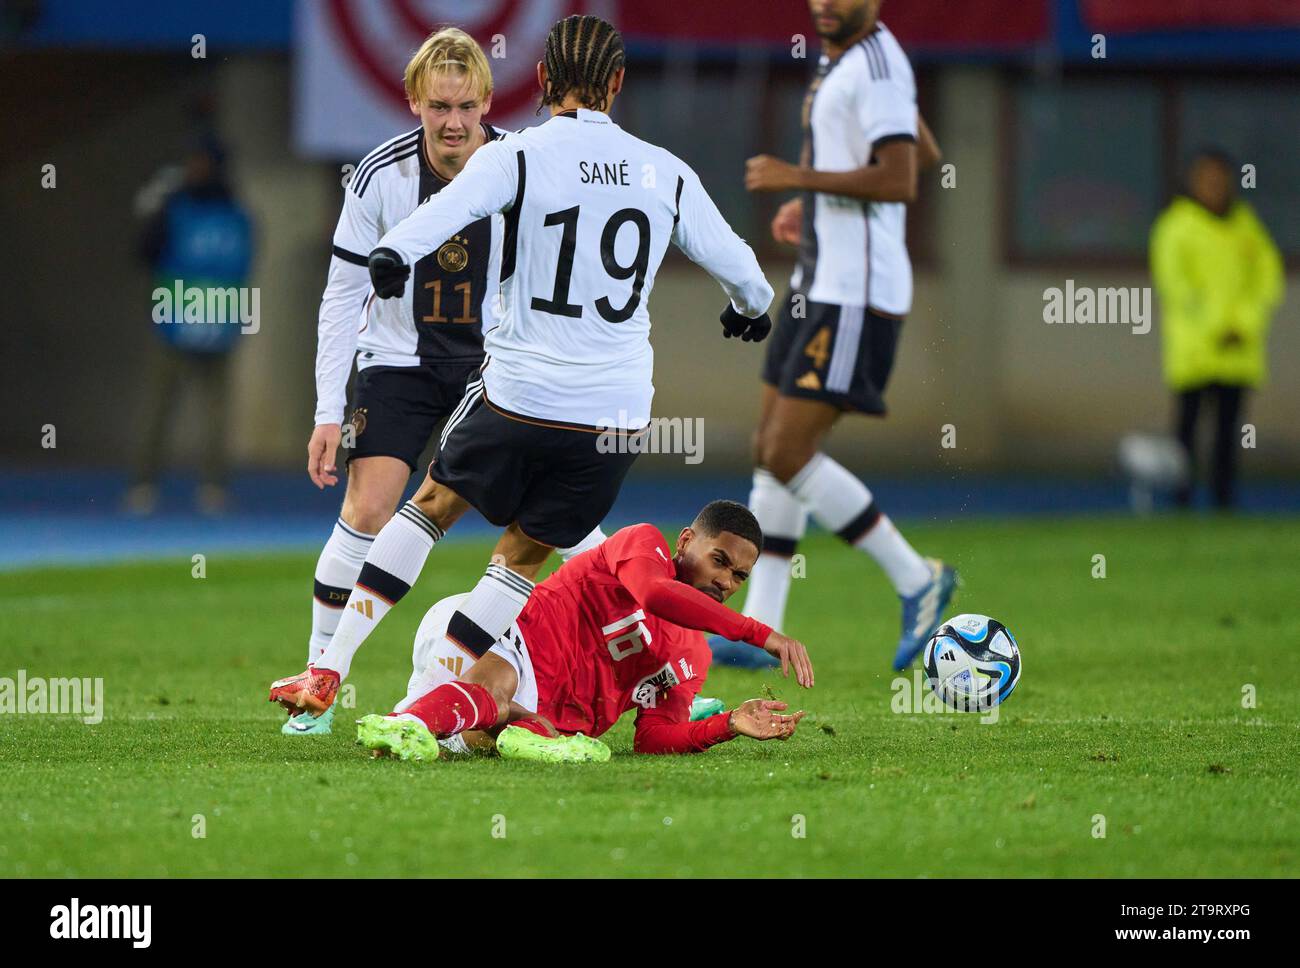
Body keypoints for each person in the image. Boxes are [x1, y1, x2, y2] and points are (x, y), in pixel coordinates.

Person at [270, 14, 804, 720]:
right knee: (520, 559)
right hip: (613, 420)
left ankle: (329, 668)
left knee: (430, 509)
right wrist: (749, 310)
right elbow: (746, 274)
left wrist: (393, 256)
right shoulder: (664, 171)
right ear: (618, 82)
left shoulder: (516, 156)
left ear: (544, 81)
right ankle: (436, 703)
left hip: (520, 395)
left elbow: (445, 212)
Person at [289, 27, 602, 736]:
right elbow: (341, 296)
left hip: (494, 366)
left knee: (562, 514)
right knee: (369, 510)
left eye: (466, 106)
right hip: (398, 364)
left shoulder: (520, 168)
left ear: (489, 101)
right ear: (413, 103)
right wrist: (326, 410)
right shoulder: (378, 177)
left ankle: (641, 655)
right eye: (438, 107)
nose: (454, 122)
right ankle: (320, 680)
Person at [717, 0, 954, 673]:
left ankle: (917, 578)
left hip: (856, 295)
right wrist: (815, 203)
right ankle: (761, 631)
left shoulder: (874, 62)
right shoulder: (847, 60)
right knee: (770, 450)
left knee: (789, 449)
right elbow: (925, 149)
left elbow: (904, 176)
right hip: (817, 283)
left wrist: (801, 178)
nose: (825, 2)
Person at [355, 501, 810, 762]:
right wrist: (759, 634)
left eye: (739, 578)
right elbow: (654, 594)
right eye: (720, 561)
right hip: (500, 631)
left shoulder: (693, 656)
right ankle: (404, 723)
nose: (726, 582)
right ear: (687, 541)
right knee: (496, 691)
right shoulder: (643, 544)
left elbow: (653, 738)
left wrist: (727, 724)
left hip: (525, 704)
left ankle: (432, 722)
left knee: (491, 736)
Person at [1150, 148, 1285, 510]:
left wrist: (1244, 323)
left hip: (1238, 350)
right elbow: (1175, 285)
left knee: (1230, 431)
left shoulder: (1247, 225)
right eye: (1206, 178)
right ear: (1192, 181)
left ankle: (1224, 501)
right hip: (1194, 350)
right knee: (1187, 431)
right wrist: (1217, 326)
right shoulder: (1176, 226)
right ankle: (1180, 500)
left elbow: (1268, 277)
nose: (1214, 185)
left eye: (1220, 178)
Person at [125, 135, 253, 515]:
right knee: (175, 406)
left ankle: (155, 483)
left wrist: (157, 207)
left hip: (179, 316)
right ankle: (195, 485)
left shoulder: (179, 209)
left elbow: (144, 253)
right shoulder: (238, 216)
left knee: (179, 406)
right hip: (216, 316)